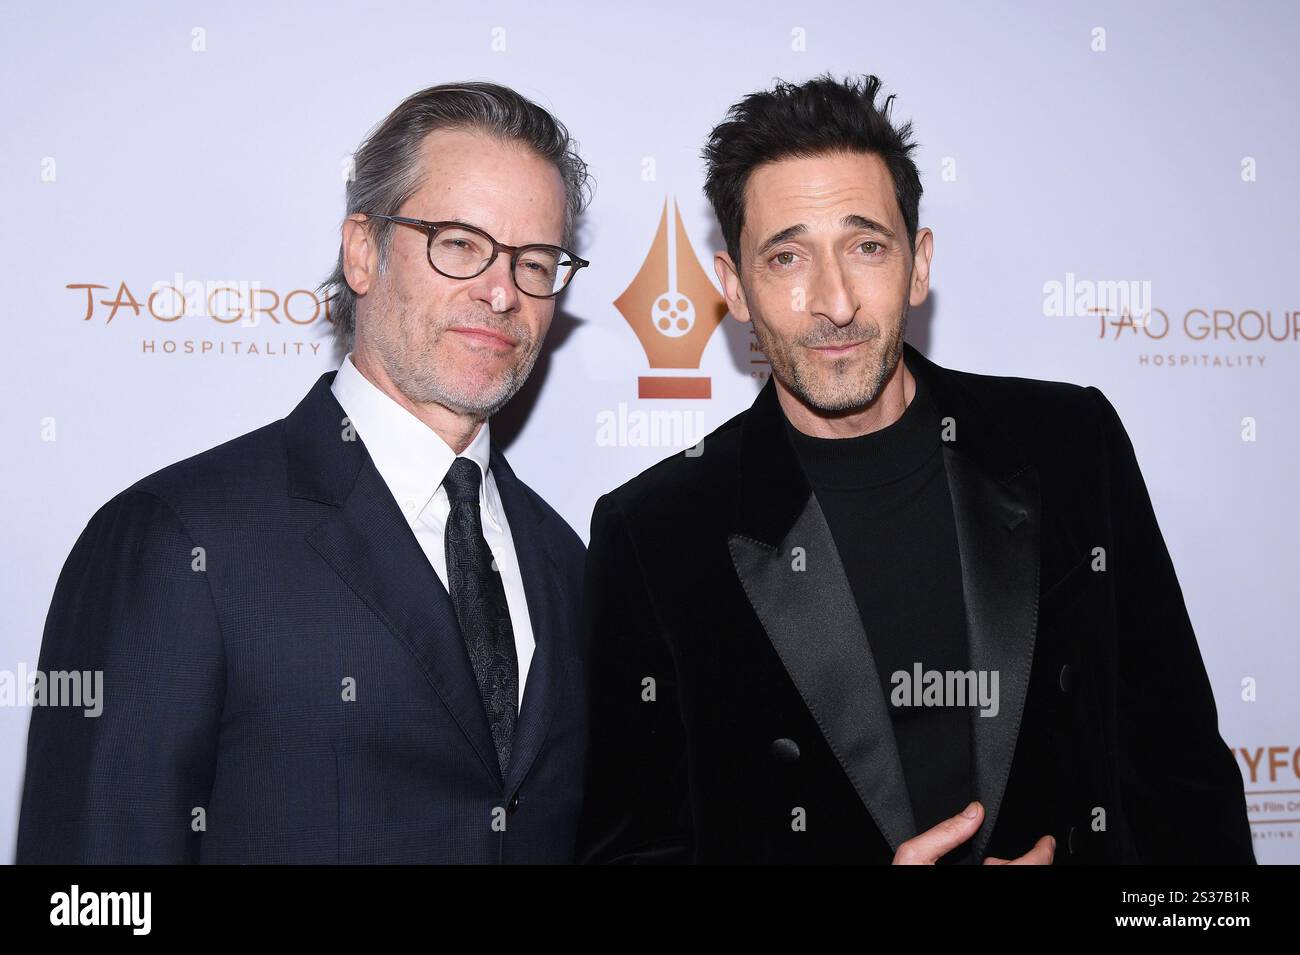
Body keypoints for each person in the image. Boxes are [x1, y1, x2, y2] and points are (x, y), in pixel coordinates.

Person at [575, 74, 1254, 865]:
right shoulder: (657, 529)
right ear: (734, 289)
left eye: (866, 246)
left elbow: (1183, 785)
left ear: (918, 263)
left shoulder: (1071, 445)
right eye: (788, 255)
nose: (835, 301)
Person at [18, 81, 593, 863]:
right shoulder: (180, 540)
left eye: (535, 261)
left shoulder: (566, 563)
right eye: (459, 242)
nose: (500, 291)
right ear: (363, 250)